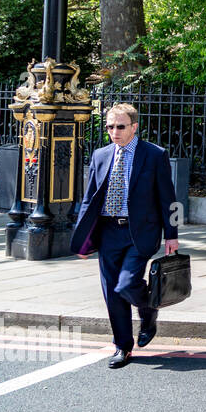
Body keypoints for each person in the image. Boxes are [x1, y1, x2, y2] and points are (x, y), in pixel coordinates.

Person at [71, 103, 179, 369]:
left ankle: (149, 310)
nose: (114, 132)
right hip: (108, 231)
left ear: (134, 126)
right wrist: (82, 237)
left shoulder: (154, 155)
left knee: (127, 284)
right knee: (112, 291)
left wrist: (172, 235)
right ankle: (122, 346)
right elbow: (89, 199)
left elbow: (170, 199)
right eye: (110, 126)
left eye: (120, 126)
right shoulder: (100, 155)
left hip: (139, 232)